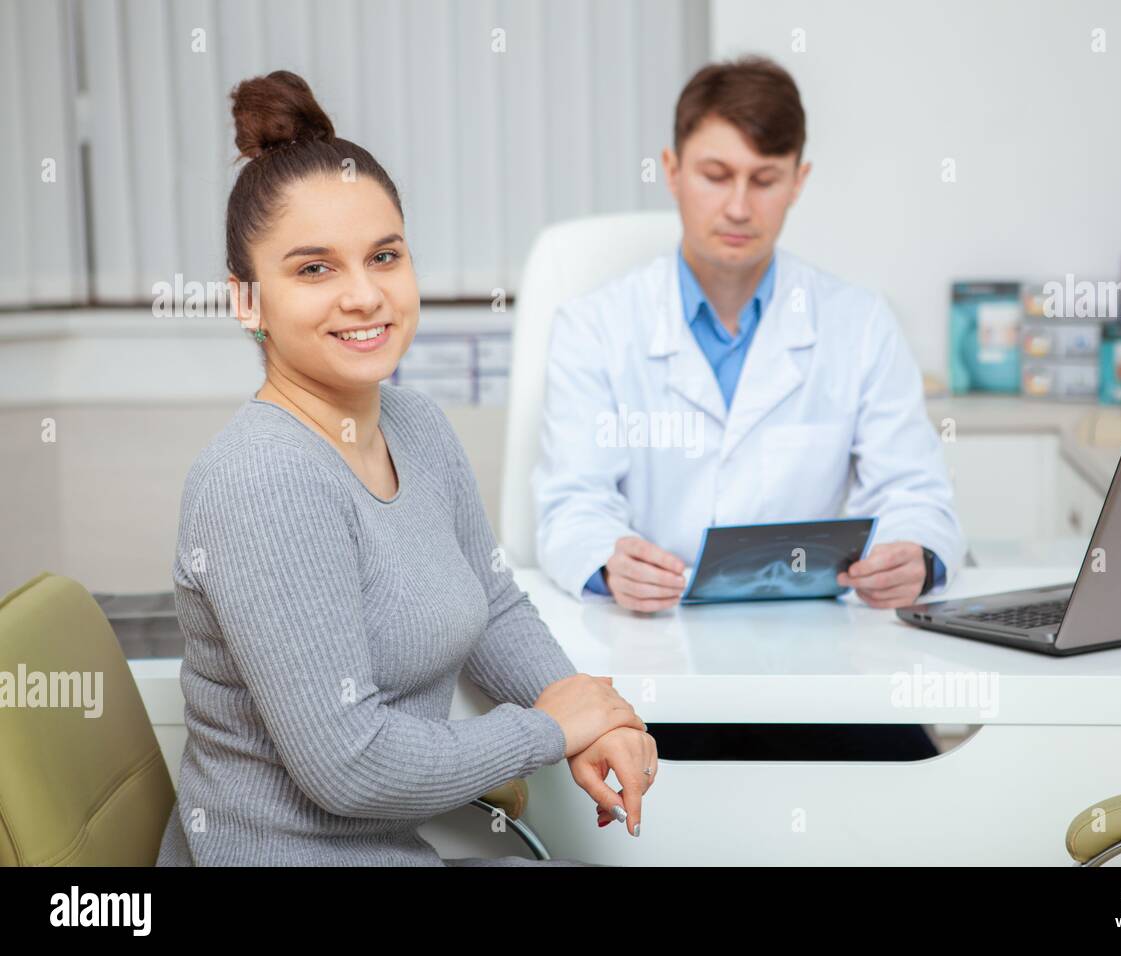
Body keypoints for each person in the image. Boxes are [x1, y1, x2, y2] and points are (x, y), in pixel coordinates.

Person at [155, 71, 653, 866]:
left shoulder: (412, 422)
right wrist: (552, 728)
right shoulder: (261, 480)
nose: (364, 296)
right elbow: (348, 767)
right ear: (246, 301)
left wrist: (599, 712)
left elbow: (491, 603)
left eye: (384, 256)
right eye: (314, 269)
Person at [532, 56, 966, 762]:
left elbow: (916, 492)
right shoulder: (596, 326)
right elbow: (571, 503)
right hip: (655, 666)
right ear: (671, 171)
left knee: (906, 797)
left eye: (765, 179)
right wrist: (609, 562)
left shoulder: (859, 323)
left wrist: (914, 555)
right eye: (716, 175)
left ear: (799, 181)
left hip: (822, 670)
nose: (739, 206)